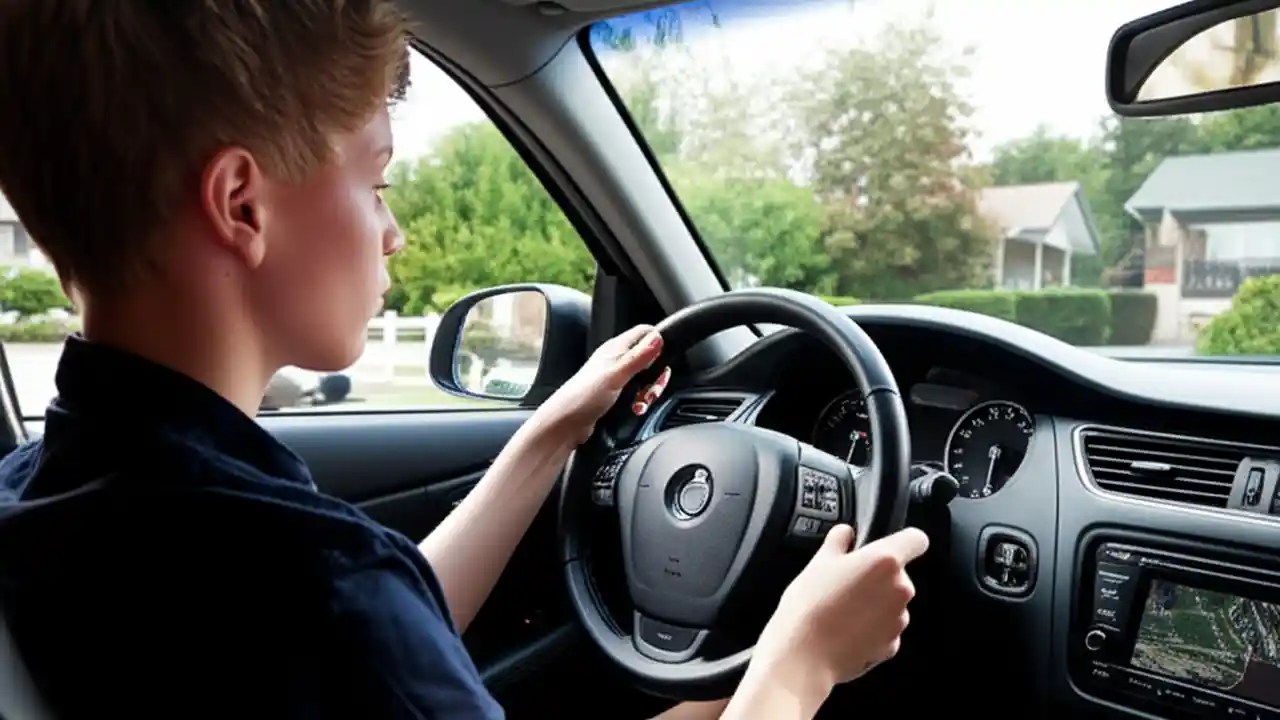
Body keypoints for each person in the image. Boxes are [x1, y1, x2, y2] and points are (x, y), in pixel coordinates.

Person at [0, 2, 928, 718]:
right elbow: (359, 618)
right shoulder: (321, 592)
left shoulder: (46, 498)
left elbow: (383, 622)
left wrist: (550, 435)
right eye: (376, 183)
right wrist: (799, 668)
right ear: (243, 205)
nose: (393, 233)